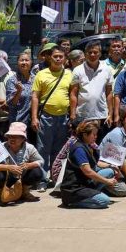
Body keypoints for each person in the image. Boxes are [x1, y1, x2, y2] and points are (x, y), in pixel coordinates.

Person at [32, 46, 73, 177]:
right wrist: (34, 118)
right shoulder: (41, 74)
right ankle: (42, 179)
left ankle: (56, 178)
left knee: (59, 150)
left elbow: (72, 95)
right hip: (46, 117)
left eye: (61, 56)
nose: (58, 59)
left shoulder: (69, 74)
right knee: (43, 149)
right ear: (50, 58)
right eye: (55, 56)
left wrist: (72, 115)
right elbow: (35, 97)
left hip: (63, 117)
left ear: (65, 58)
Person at [61, 119, 118, 208]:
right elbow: (88, 171)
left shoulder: (86, 145)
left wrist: (111, 165)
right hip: (74, 189)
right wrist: (107, 181)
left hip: (84, 182)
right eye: (93, 135)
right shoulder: (79, 149)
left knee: (109, 171)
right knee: (104, 201)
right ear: (84, 135)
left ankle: (91, 194)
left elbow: (95, 165)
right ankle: (72, 202)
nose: (96, 137)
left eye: (96, 134)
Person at [0, 123, 44, 204]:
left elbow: (41, 161)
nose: (12, 139)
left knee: (37, 172)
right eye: (10, 136)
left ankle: (24, 192)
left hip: (22, 177)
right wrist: (8, 167)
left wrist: (28, 165)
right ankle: (1, 193)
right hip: (7, 178)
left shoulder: (29, 148)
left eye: (15, 137)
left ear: (23, 138)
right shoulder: (1, 147)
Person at [70, 40, 114, 135]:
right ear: (85, 54)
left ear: (100, 54)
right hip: (83, 116)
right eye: (90, 52)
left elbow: (109, 93)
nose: (92, 54)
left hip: (102, 115)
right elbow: (73, 94)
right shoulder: (77, 70)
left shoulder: (107, 70)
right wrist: (73, 114)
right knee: (85, 145)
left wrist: (110, 114)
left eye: (95, 52)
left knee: (100, 144)